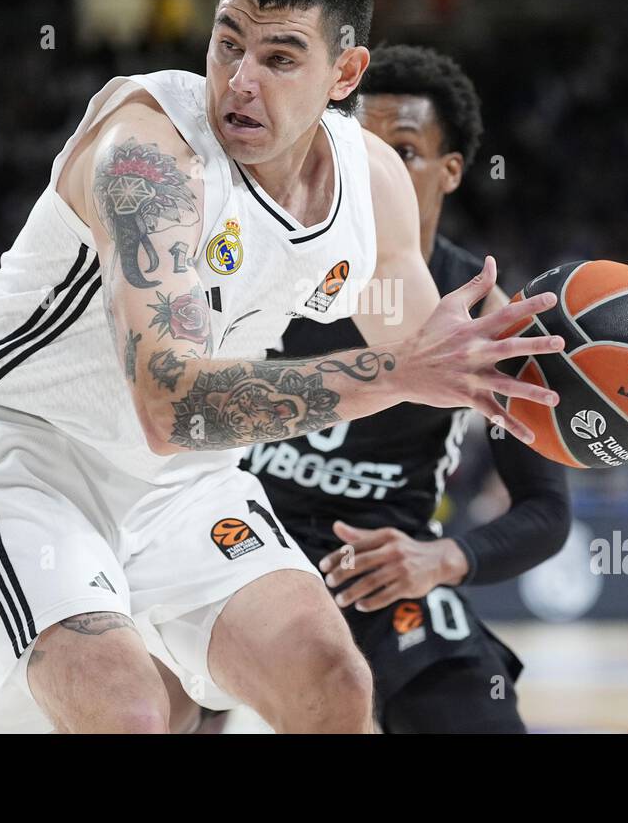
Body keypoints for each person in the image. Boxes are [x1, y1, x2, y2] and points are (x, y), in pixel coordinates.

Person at [0, 0, 568, 734]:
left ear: (344, 74)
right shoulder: (148, 156)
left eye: (281, 58)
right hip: (15, 451)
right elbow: (171, 406)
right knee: (128, 708)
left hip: (182, 483)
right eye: (227, 45)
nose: (241, 82)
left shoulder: (373, 184)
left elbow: (452, 360)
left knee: (329, 681)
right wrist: (392, 373)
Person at [243, 44, 569, 732]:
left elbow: (546, 509)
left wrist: (445, 557)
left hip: (377, 567)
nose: (375, 168)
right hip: (242, 544)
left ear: (450, 171)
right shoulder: (265, 263)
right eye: (360, 145)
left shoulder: (483, 312)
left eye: (405, 150)